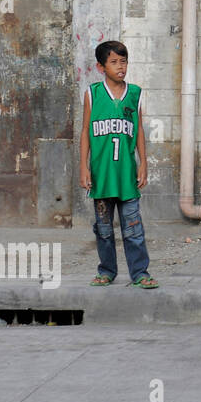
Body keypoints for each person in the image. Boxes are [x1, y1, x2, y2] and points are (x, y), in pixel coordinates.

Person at [79, 40, 157, 289]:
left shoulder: (134, 93)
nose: (120, 67)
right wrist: (84, 166)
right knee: (103, 229)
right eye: (114, 62)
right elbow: (85, 132)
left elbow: (140, 130)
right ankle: (107, 270)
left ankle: (140, 273)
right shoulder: (92, 93)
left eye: (123, 61)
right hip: (101, 174)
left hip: (126, 173)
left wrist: (143, 163)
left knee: (133, 228)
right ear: (101, 67)